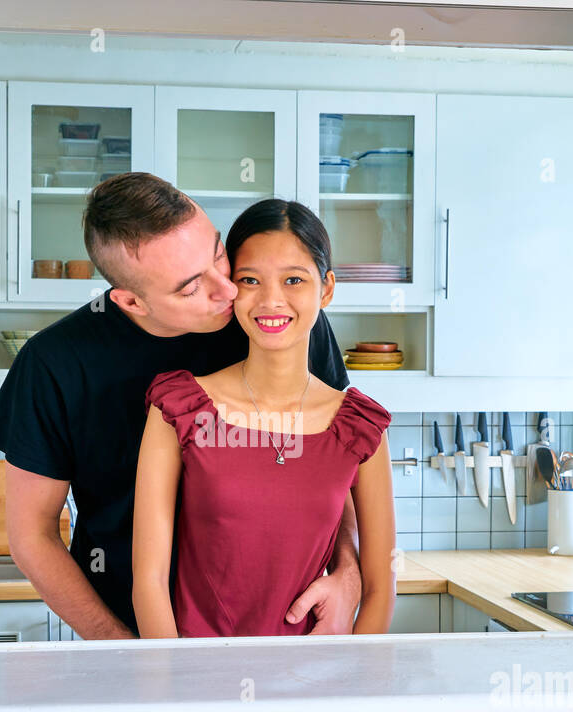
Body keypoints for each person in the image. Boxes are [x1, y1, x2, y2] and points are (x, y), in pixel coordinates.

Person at [0, 173, 360, 638]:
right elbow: (31, 536)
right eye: (190, 287)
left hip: (281, 630)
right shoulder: (53, 365)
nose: (227, 289)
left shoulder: (273, 320)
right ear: (130, 301)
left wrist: (348, 572)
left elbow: (335, 463)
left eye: (218, 253)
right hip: (134, 633)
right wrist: (126, 650)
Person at [132, 199, 396, 638]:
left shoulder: (359, 427)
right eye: (249, 280)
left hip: (318, 685)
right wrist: (172, 687)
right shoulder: (179, 408)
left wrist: (355, 686)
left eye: (294, 279)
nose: (271, 300)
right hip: (200, 684)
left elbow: (380, 590)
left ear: (326, 288)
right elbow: (150, 583)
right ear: (230, 288)